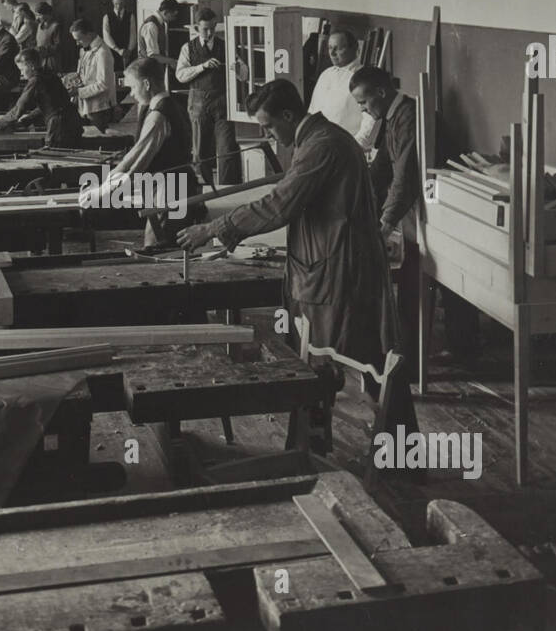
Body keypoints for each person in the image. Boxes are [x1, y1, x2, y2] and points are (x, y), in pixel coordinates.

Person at [175, 78, 419, 441]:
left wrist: (215, 228)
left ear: (289, 114)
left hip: (338, 270)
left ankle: (318, 448)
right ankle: (333, 445)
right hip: (334, 263)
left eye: (270, 125)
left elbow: (280, 204)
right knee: (353, 357)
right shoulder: (318, 138)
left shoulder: (323, 145)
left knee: (330, 360)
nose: (269, 134)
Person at [351, 65, 422, 370]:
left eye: (364, 102)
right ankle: (408, 349)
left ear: (381, 92)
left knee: (416, 278)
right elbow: (381, 167)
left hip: (435, 204)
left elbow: (404, 176)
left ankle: (415, 355)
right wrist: (352, 189)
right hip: (415, 209)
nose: (363, 110)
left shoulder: (407, 116)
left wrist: (385, 223)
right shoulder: (391, 117)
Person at [90, 57, 201, 247]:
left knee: (158, 247)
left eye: (133, 87)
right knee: (161, 244)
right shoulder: (170, 106)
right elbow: (134, 154)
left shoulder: (158, 116)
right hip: (173, 185)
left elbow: (138, 161)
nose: (132, 94)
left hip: (171, 189)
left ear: (147, 84)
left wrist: (106, 190)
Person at [175, 7, 241, 185]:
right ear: (197, 28)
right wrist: (202, 67)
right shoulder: (188, 48)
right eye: (205, 29)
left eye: (212, 27)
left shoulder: (226, 45)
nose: (210, 32)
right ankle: (205, 190)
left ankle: (228, 189)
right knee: (199, 151)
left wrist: (238, 68)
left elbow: (243, 74)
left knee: (227, 149)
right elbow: (180, 76)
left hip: (222, 101)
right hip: (198, 102)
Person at [0, 48, 84, 148]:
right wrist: (25, 121)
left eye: (21, 69)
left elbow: (18, 109)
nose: (21, 73)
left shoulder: (35, 81)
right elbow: (51, 106)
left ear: (31, 66)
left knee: (55, 157)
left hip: (59, 126)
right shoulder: (50, 75)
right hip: (73, 122)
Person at [309, 29, 380, 149]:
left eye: (338, 48)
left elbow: (371, 121)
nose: (332, 53)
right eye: (330, 47)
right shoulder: (326, 74)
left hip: (346, 148)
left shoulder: (363, 77)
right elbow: (312, 111)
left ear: (355, 49)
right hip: (319, 145)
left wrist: (356, 147)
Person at [66, 17, 119, 131]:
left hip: (98, 109)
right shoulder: (85, 50)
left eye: (79, 39)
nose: (77, 43)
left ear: (89, 34)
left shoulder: (103, 53)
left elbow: (103, 84)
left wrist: (78, 91)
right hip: (86, 106)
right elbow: (85, 74)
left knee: (99, 141)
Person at [138, 0, 181, 73]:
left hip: (155, 67)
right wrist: (172, 61)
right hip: (148, 68)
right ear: (165, 12)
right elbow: (152, 55)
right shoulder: (151, 26)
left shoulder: (160, 23)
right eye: (173, 15)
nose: (174, 19)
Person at [103, 0, 136, 67]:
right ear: (112, 3)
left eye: (121, 3)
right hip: (112, 50)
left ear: (124, 3)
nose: (118, 6)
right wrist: (117, 50)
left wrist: (129, 50)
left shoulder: (130, 16)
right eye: (116, 4)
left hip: (127, 50)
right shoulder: (107, 17)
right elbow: (106, 35)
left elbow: (133, 34)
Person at [34, 1, 62, 72]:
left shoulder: (55, 26)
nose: (37, 18)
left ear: (47, 14)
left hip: (52, 61)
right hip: (40, 60)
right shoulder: (39, 26)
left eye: (39, 15)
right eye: (36, 15)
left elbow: (57, 46)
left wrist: (42, 49)